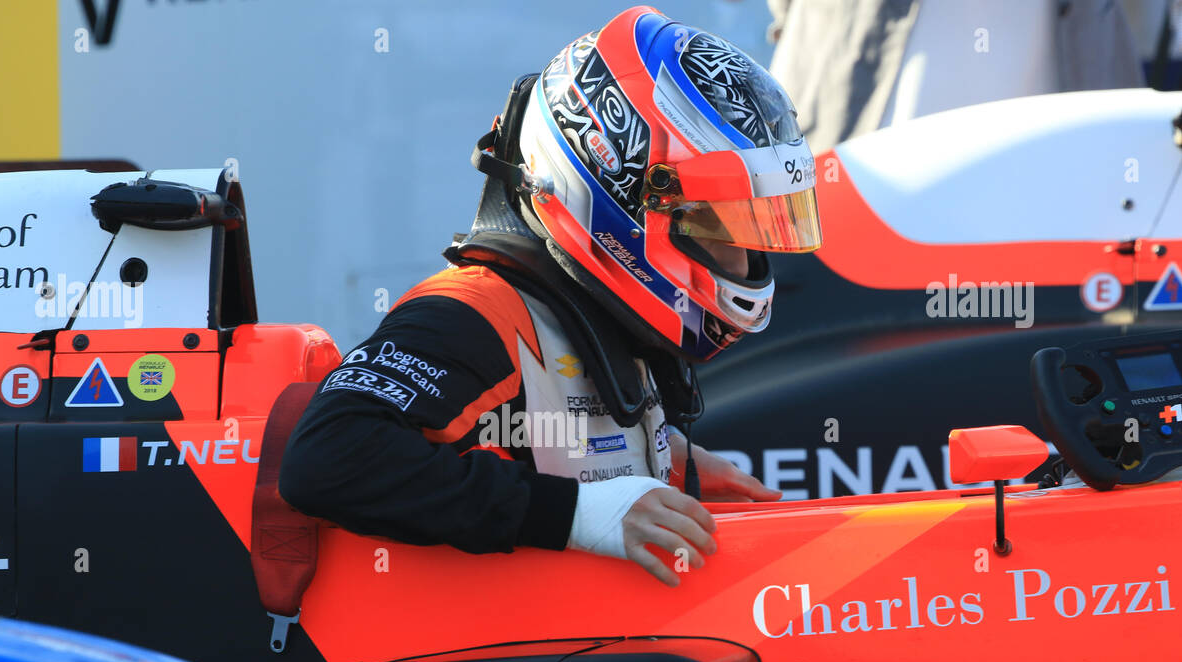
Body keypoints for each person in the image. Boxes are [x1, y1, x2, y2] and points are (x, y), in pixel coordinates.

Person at [279, 5, 822, 586]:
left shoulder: (598, 307)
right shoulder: (469, 313)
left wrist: (665, 458)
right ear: (618, 195)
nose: (741, 262)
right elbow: (324, 460)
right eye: (715, 227)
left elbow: (538, 437)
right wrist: (575, 517)